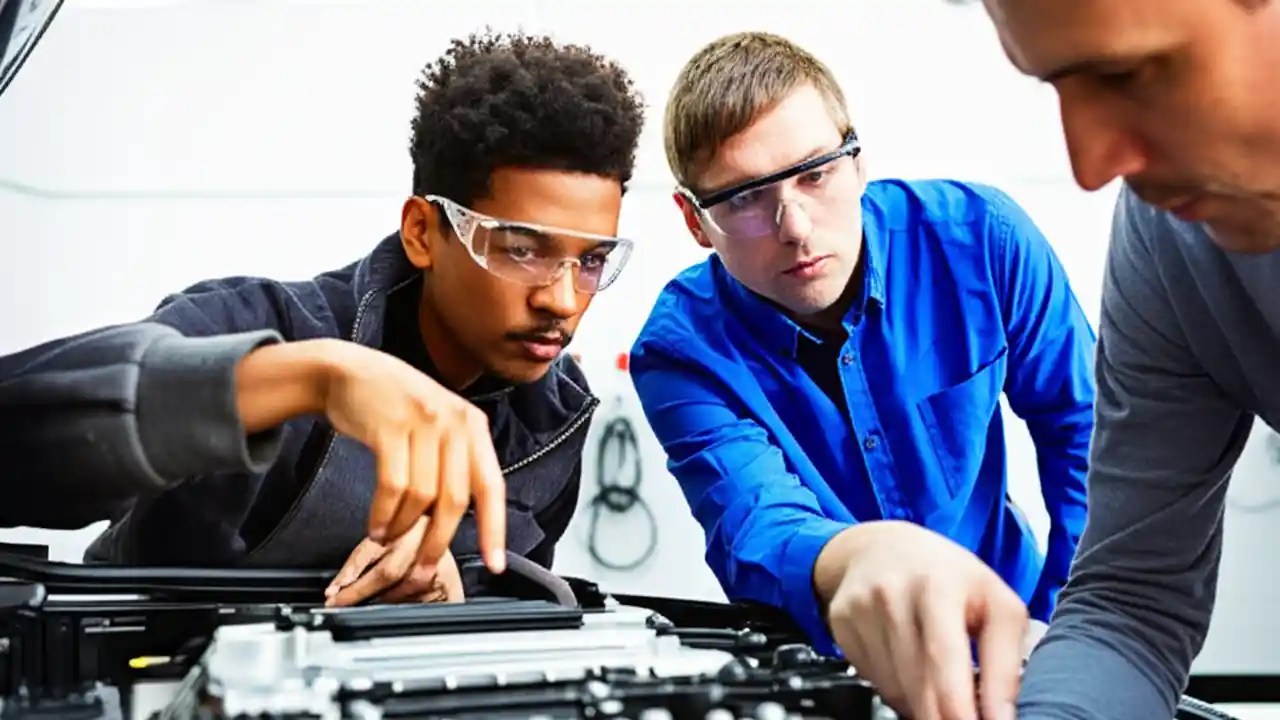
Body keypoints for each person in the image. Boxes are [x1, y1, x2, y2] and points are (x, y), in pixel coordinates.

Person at [2, 30, 644, 609]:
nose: (561, 300)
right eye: (522, 249)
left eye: (590, 261)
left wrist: (455, 598)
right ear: (422, 232)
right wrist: (310, 381)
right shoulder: (256, 324)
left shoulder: (554, 420)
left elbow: (521, 615)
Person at [628, 31, 1095, 720]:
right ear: (695, 223)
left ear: (858, 161)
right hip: (820, 680)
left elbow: (1089, 435)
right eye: (745, 199)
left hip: (1019, 643)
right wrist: (859, 558)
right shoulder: (680, 353)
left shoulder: (982, 241)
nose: (794, 225)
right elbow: (756, 525)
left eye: (814, 173)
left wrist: (1071, 630)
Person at [965, 1, 1280, 718]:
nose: (1092, 164)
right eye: (1058, 88)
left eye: (1127, 74)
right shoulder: (1174, 240)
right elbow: (1131, 606)